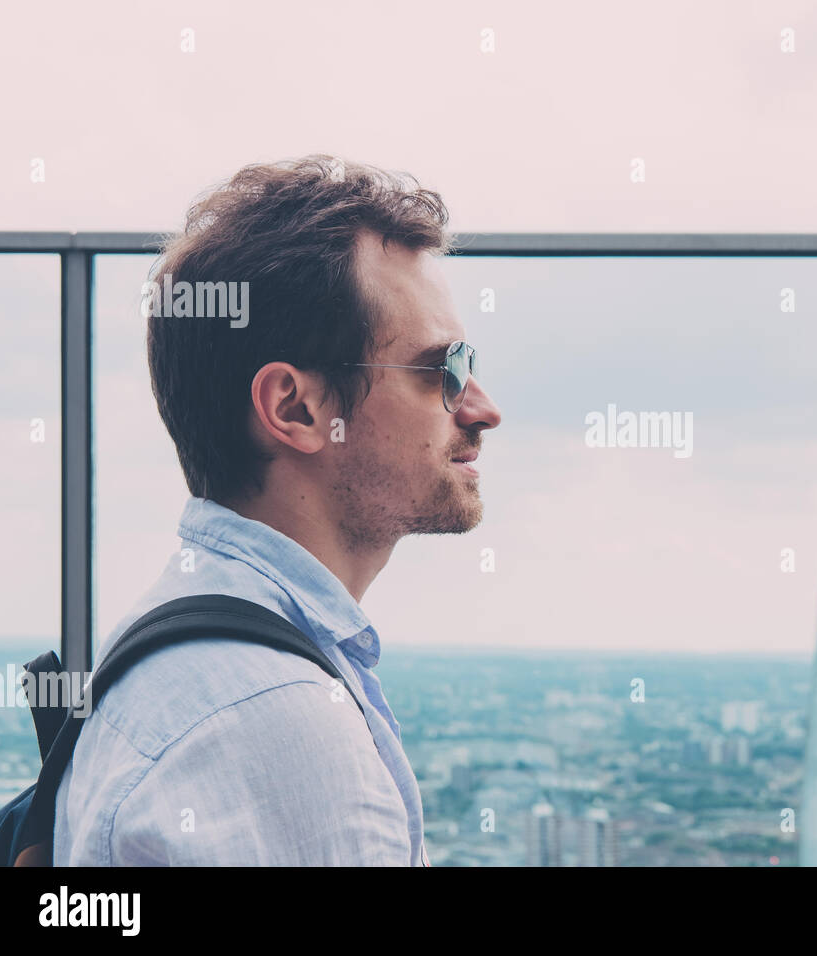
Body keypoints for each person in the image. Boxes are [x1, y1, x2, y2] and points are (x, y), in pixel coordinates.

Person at [53, 155, 501, 865]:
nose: (481, 408)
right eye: (440, 370)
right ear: (294, 408)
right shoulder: (277, 724)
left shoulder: (175, 637)